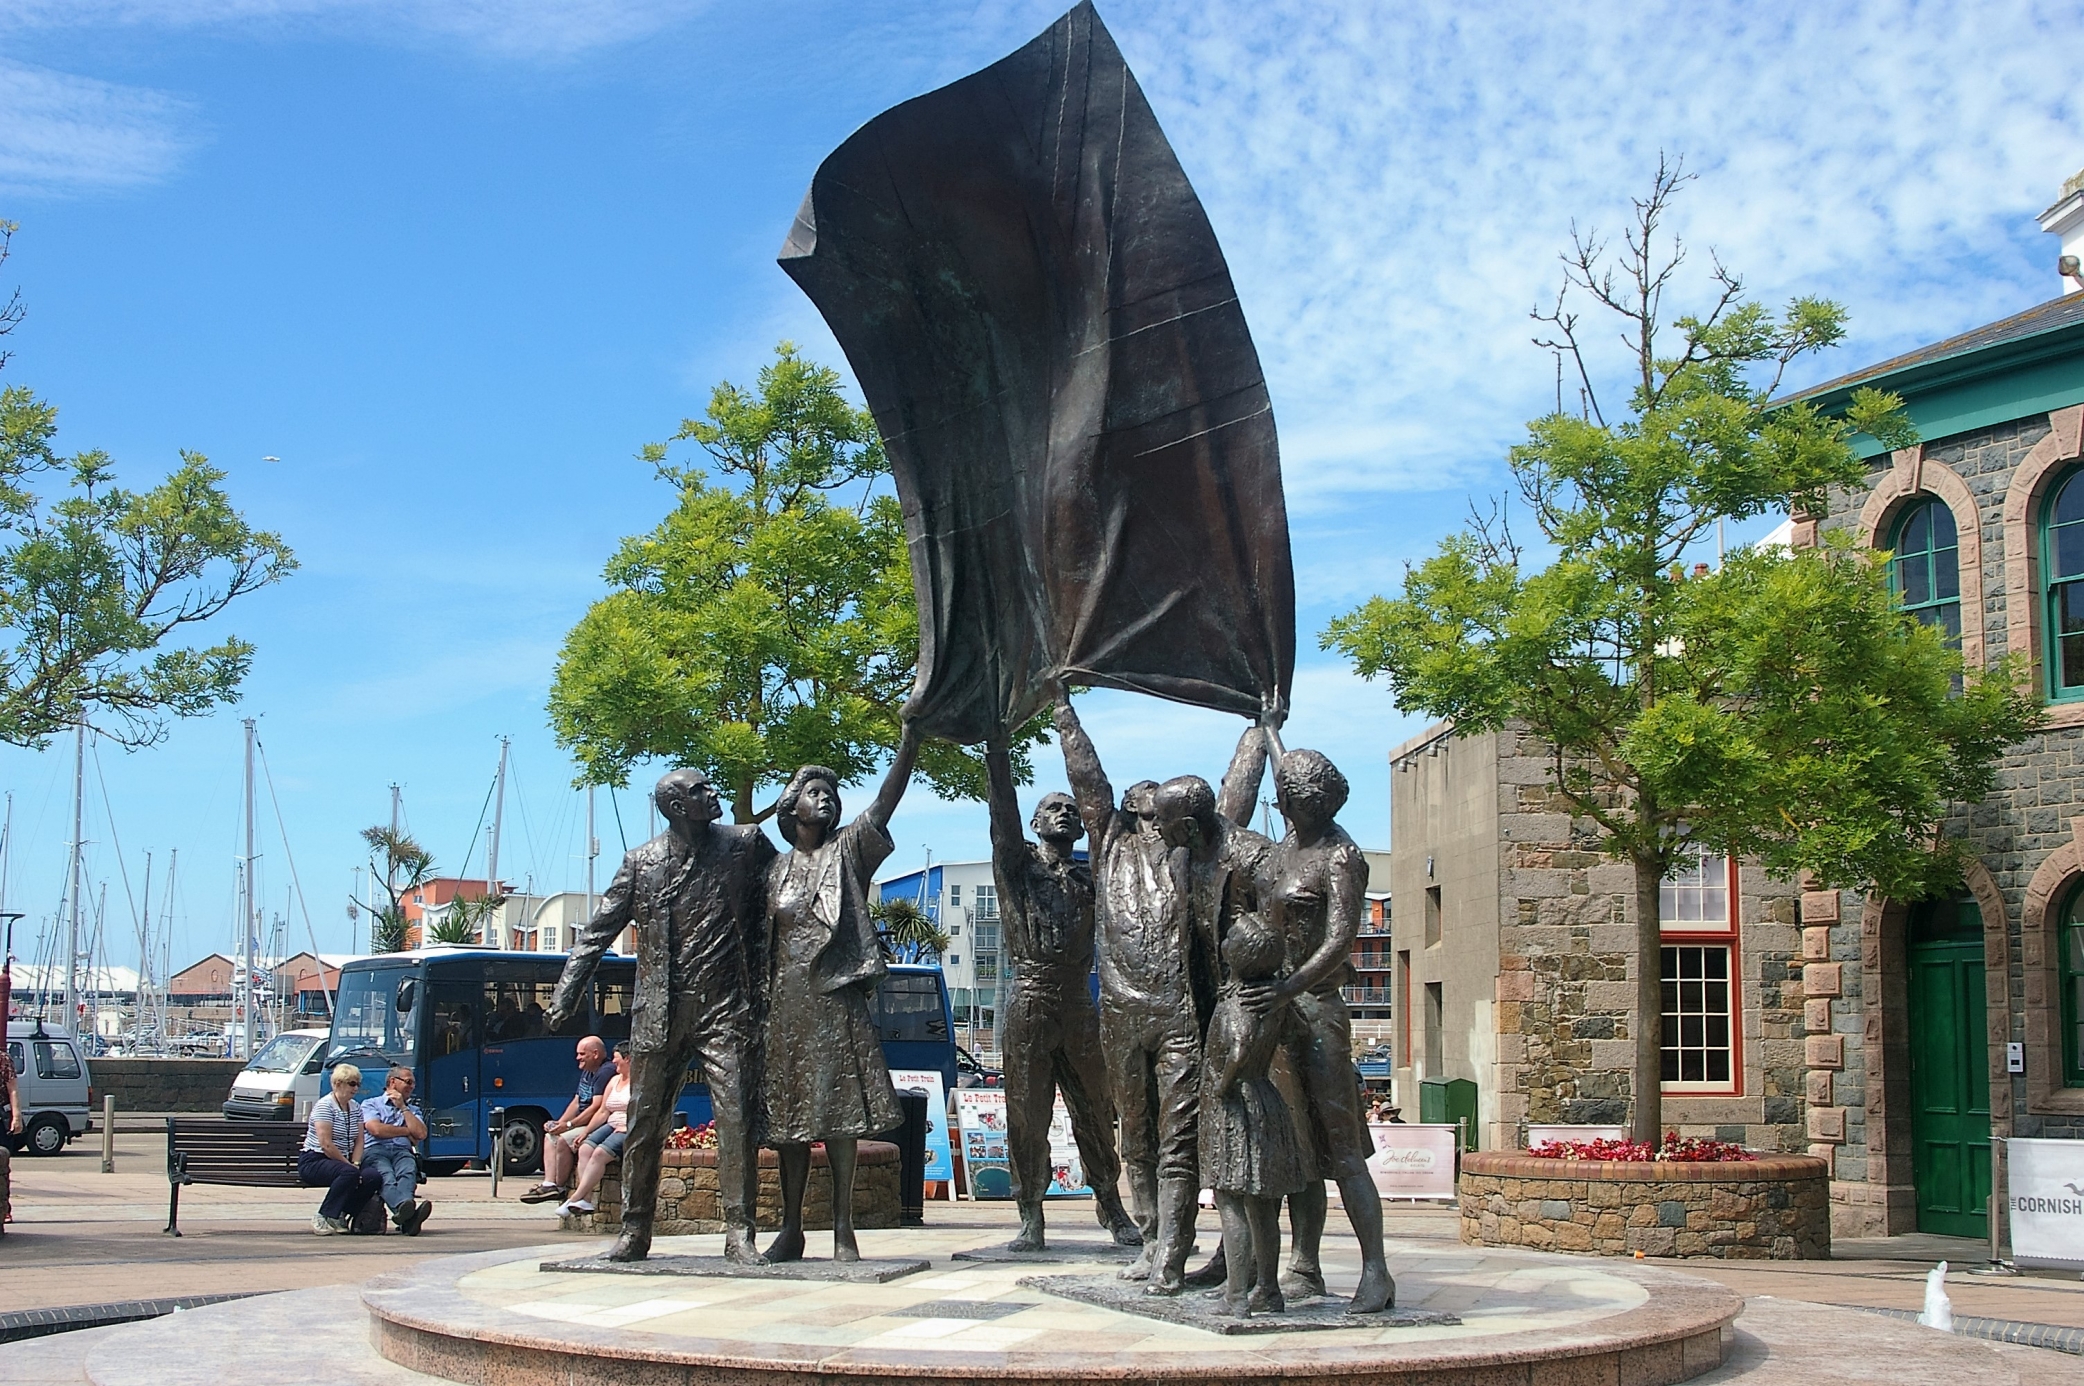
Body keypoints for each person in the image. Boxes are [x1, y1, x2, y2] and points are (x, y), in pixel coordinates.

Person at [546, 764, 777, 1265]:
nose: (711, 795)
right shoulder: (641, 862)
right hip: (659, 1013)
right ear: (675, 807)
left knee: (736, 1120)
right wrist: (566, 993)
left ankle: (740, 1232)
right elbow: (597, 932)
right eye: (699, 791)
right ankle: (635, 1231)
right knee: (646, 1122)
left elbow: (785, 903)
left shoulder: (746, 844)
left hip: (727, 1010)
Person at [762, 718, 922, 1264]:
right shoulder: (775, 870)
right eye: (814, 793)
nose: (826, 801)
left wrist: (911, 739)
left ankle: (843, 1228)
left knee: (840, 1118)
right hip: (784, 1006)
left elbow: (885, 801)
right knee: (789, 1123)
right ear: (791, 809)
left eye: (832, 794)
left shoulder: (847, 852)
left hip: (834, 999)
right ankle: (790, 1228)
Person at [1244, 747, 1395, 1314]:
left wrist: (1289, 987)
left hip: (1316, 1011)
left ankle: (1376, 1271)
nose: (1279, 802)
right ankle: (1304, 1264)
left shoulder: (1341, 857)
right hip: (1278, 1008)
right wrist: (1268, 731)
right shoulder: (1287, 847)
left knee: (1341, 1147)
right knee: (1296, 1145)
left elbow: (1339, 942)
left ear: (1305, 803)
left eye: (1287, 796)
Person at [984, 740, 1141, 1252]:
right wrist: (995, 748)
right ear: (1034, 824)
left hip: (1077, 999)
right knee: (1027, 1114)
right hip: (1029, 996)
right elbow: (1001, 811)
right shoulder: (1018, 868)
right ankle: (1030, 1212)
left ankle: (1110, 1202)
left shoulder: (1094, 876)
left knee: (1095, 1107)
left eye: (1071, 810)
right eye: (1054, 808)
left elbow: (1105, 820)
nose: (1067, 814)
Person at [1054, 694, 1189, 1287]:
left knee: (1180, 1136)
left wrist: (1256, 738)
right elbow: (1087, 775)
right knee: (1134, 1132)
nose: (1147, 795)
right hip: (1123, 1013)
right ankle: (1152, 1236)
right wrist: (1063, 712)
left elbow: (1236, 795)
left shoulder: (1191, 849)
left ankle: (1177, 1250)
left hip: (1181, 1012)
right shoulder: (1108, 844)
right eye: (1141, 793)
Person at [1201, 915, 1305, 1317]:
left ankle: (1237, 1296)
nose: (1224, 940)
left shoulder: (1237, 1001)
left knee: (1231, 1204)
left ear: (1240, 955)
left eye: (1229, 938)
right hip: (1267, 1098)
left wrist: (1223, 1084)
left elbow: (1240, 1049)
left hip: (1238, 1107)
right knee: (1264, 1206)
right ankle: (1269, 1289)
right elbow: (1295, 1032)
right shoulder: (1274, 999)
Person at [520, 1036, 610, 1205]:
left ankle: (559, 1188)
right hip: (581, 1122)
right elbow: (577, 1102)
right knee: (549, 1137)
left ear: (595, 1054)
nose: (578, 1058)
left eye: (582, 1054)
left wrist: (569, 1125)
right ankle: (548, 1183)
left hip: (595, 1124)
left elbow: (596, 1107)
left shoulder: (605, 1071)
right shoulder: (587, 1071)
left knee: (562, 1141)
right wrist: (558, 1123)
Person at [299, 1063, 382, 1234]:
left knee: (372, 1177)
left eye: (358, 1084)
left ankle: (340, 1213)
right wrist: (349, 1165)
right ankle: (323, 1215)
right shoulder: (325, 1106)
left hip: (344, 1161)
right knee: (349, 1173)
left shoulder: (356, 1108)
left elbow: (360, 1140)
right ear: (338, 1084)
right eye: (352, 1084)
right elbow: (326, 1144)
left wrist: (357, 1163)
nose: (356, 1088)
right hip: (315, 1159)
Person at [559, 1042, 632, 1215]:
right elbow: (603, 1111)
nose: (613, 1063)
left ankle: (575, 1198)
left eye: (617, 1060)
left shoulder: (640, 1081)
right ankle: (586, 1200)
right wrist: (585, 1132)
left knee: (599, 1154)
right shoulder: (614, 1080)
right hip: (612, 1123)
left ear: (628, 1059)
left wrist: (629, 1125)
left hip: (628, 1127)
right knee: (585, 1148)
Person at [360, 1065, 432, 1235]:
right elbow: (376, 1130)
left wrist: (403, 1108)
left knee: (407, 1171)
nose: (411, 1086)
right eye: (408, 1082)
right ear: (393, 1082)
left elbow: (421, 1133)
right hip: (376, 1150)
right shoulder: (371, 1104)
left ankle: (406, 1214)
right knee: (386, 1176)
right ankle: (407, 1212)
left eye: (413, 1083)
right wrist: (407, 1131)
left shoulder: (412, 1110)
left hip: (402, 1151)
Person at [0, 1041, 20, 1228]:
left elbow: (12, 1088)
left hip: (0, 1117)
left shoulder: (3, 1059)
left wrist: (17, 1116)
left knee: (1, 1165)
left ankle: (5, 1209)